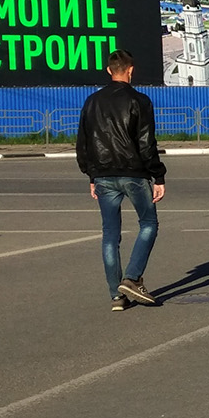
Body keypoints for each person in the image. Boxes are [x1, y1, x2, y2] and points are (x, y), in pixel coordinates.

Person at [76, 50, 166, 311]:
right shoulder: (139, 101)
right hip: (134, 173)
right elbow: (146, 143)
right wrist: (158, 175)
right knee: (148, 223)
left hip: (103, 174)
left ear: (108, 71)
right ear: (130, 70)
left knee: (110, 234)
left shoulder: (92, 102)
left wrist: (91, 174)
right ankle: (132, 277)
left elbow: (83, 143)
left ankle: (117, 296)